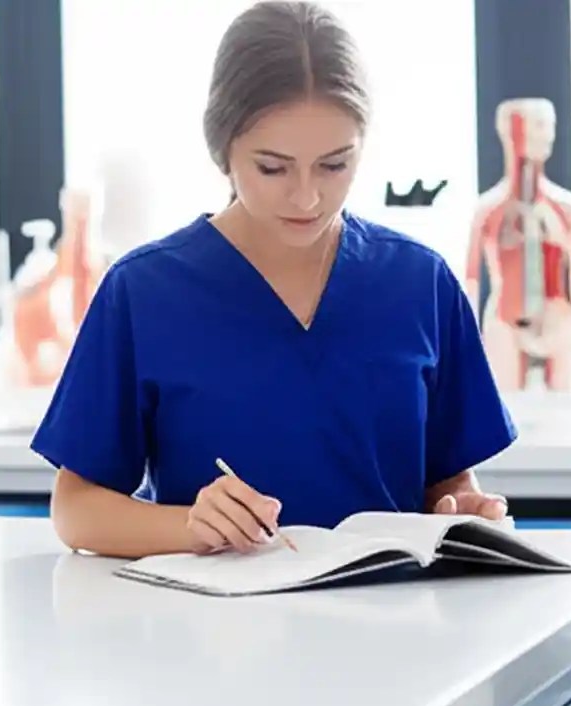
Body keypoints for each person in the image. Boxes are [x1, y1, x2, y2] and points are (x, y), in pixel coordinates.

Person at [30, 0, 518, 560]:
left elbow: (449, 483)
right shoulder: (143, 292)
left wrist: (463, 512)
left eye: (335, 165)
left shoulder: (419, 282)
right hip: (210, 631)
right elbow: (76, 508)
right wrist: (190, 524)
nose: (307, 197)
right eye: (273, 167)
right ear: (223, 149)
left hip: (392, 623)